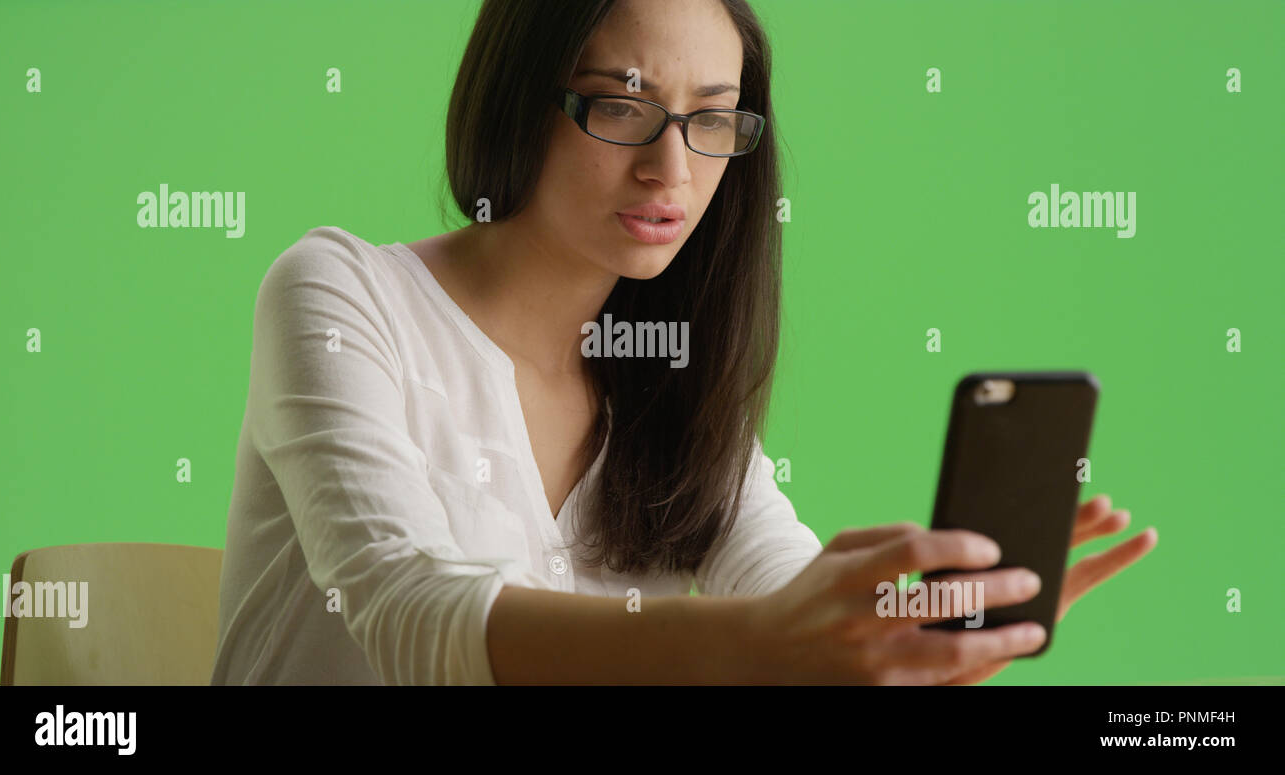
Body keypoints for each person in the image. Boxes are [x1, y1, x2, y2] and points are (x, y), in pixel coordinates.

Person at [211, 0, 1157, 685]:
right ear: (516, 98)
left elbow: (785, 589)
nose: (672, 168)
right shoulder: (341, 293)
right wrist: (766, 641)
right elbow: (405, 611)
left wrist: (916, 636)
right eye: (621, 105)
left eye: (711, 118)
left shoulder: (666, 375)